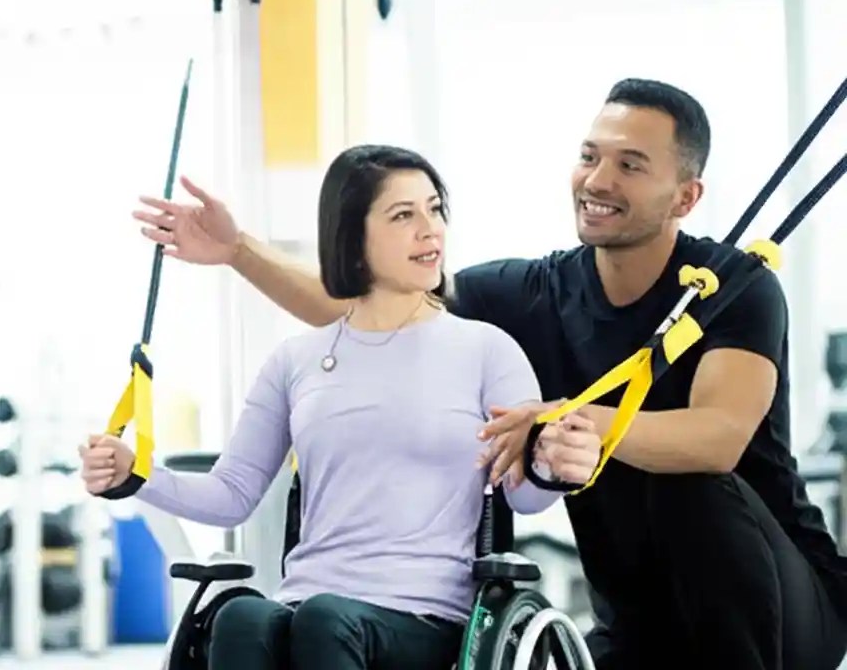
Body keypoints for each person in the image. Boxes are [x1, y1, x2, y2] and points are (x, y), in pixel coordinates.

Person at [131, 78, 847, 669]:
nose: (598, 179)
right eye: (590, 155)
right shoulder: (532, 294)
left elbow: (716, 438)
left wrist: (573, 419)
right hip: (636, 621)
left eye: (631, 164)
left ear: (685, 197)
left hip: (784, 615)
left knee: (693, 492)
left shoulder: (733, 287)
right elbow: (365, 299)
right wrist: (236, 251)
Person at [81, 144, 603, 670]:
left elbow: (528, 497)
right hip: (309, 600)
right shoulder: (296, 359)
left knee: (326, 620)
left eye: (435, 209)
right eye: (404, 215)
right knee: (240, 617)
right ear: (353, 241)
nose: (431, 230)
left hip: (425, 617)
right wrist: (135, 476)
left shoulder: (486, 350)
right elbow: (231, 495)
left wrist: (552, 464)